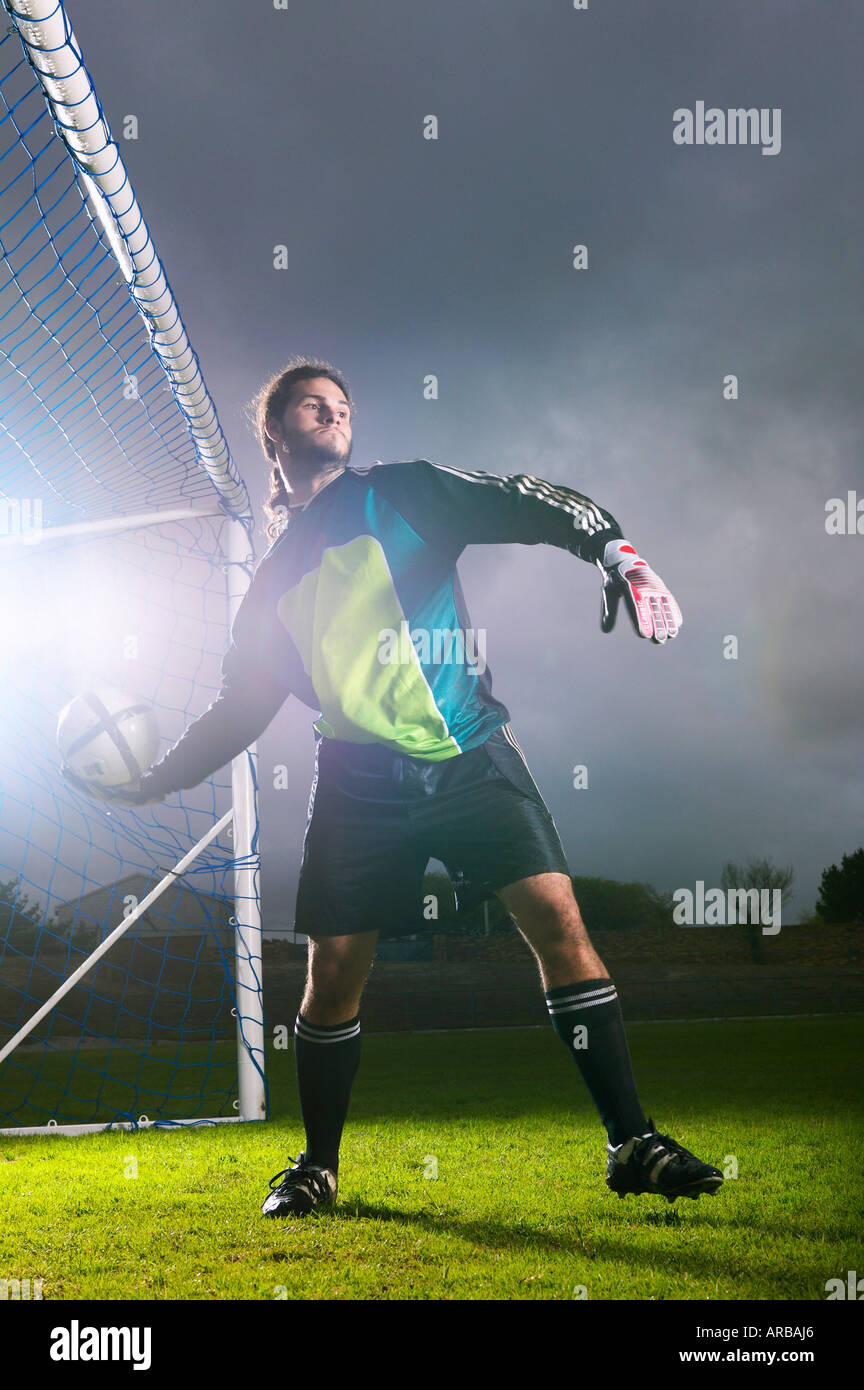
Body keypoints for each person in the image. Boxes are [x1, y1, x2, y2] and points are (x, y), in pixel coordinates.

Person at [68, 356, 723, 1217]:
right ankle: (316, 1167)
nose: (333, 410)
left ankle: (632, 1143)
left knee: (560, 925)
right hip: (357, 783)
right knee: (331, 974)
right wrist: (153, 782)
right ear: (274, 435)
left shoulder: (409, 489)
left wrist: (616, 551)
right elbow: (239, 710)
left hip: (472, 757)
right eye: (311, 403)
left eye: (341, 403)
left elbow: (528, 498)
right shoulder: (268, 588)